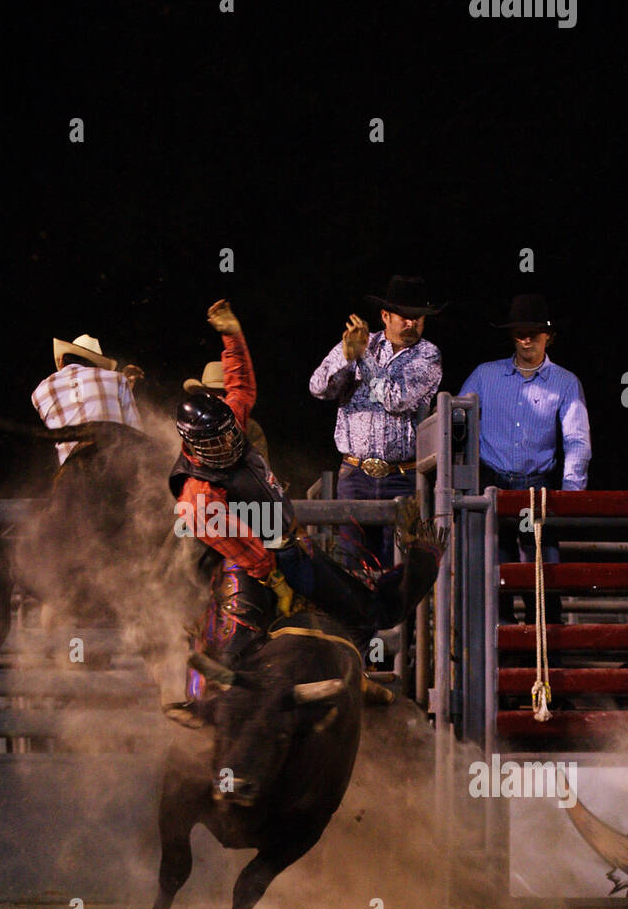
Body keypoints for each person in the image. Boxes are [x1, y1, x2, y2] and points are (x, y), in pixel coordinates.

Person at [170, 300, 445, 716]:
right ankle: (204, 708)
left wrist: (233, 335)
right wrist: (275, 579)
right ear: (194, 447)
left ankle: (357, 672)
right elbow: (238, 545)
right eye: (216, 443)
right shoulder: (197, 495)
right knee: (231, 649)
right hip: (245, 563)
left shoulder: (233, 422)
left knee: (366, 606)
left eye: (229, 434)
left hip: (285, 548)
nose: (228, 444)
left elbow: (241, 385)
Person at [0, 334, 146, 659]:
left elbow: (77, 418)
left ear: (60, 362)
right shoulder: (117, 380)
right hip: (116, 485)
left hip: (75, 482)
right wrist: (126, 385)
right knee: (123, 552)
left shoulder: (42, 391)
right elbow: (129, 431)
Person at [459, 293, 591, 625]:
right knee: (496, 574)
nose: (527, 338)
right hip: (492, 485)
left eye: (534, 331)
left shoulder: (565, 382)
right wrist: (460, 482)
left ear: (549, 335)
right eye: (520, 331)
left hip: (537, 488)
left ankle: (546, 658)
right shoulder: (484, 376)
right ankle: (503, 662)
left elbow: (577, 440)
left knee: (542, 578)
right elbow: (455, 425)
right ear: (512, 335)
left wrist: (570, 494)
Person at [309, 274, 443, 572]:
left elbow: (397, 398)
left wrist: (364, 357)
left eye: (417, 318)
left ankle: (396, 620)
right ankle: (357, 619)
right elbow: (318, 387)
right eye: (404, 317)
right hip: (356, 474)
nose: (411, 324)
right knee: (351, 566)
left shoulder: (428, 355)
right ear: (385, 316)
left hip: (403, 477)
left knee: (397, 569)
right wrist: (345, 356)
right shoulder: (358, 344)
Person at [183, 360, 269, 463]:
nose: (218, 399)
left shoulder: (250, 428)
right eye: (211, 395)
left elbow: (261, 469)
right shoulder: (192, 429)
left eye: (224, 394)